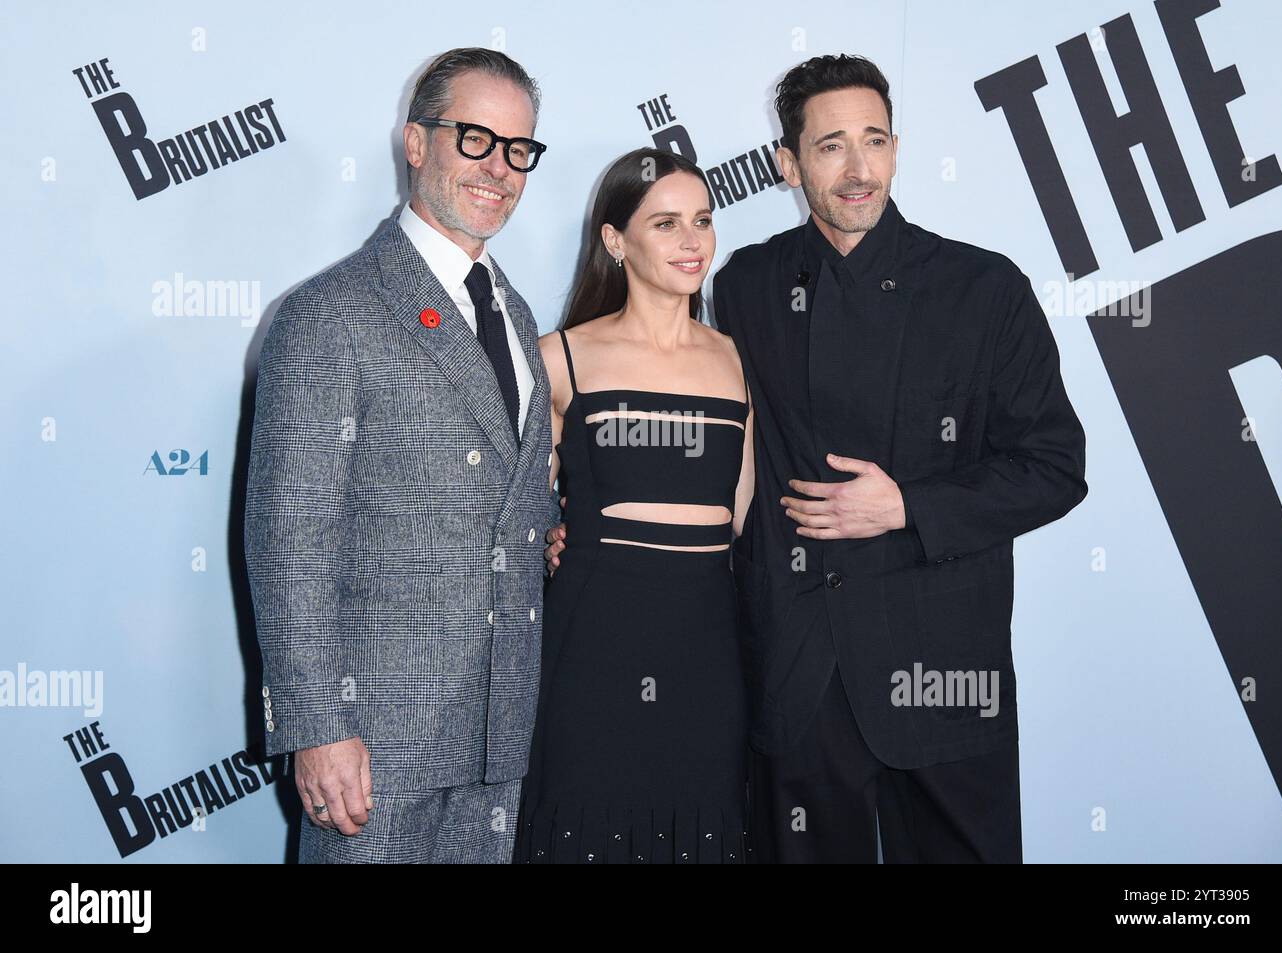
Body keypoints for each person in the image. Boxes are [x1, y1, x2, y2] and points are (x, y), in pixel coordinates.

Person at [547, 54, 1088, 863]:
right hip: (794, 674)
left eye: (875, 140)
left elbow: (1055, 464)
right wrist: (571, 528)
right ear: (788, 164)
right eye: (831, 145)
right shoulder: (748, 281)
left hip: (941, 676)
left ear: (898, 150)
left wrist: (908, 505)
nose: (858, 167)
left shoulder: (984, 287)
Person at [244, 48, 557, 863]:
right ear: (415, 143)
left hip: (499, 728)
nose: (500, 168)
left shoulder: (517, 315)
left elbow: (501, 491)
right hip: (374, 743)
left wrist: (541, 527)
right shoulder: (329, 314)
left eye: (518, 148)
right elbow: (288, 537)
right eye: (476, 139)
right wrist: (317, 727)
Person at [515, 148, 755, 863]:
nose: (692, 241)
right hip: (593, 643)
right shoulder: (559, 357)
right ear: (615, 241)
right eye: (666, 223)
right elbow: (509, 514)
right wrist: (544, 537)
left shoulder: (739, 359)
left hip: (707, 645)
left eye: (704, 221)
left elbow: (742, 518)